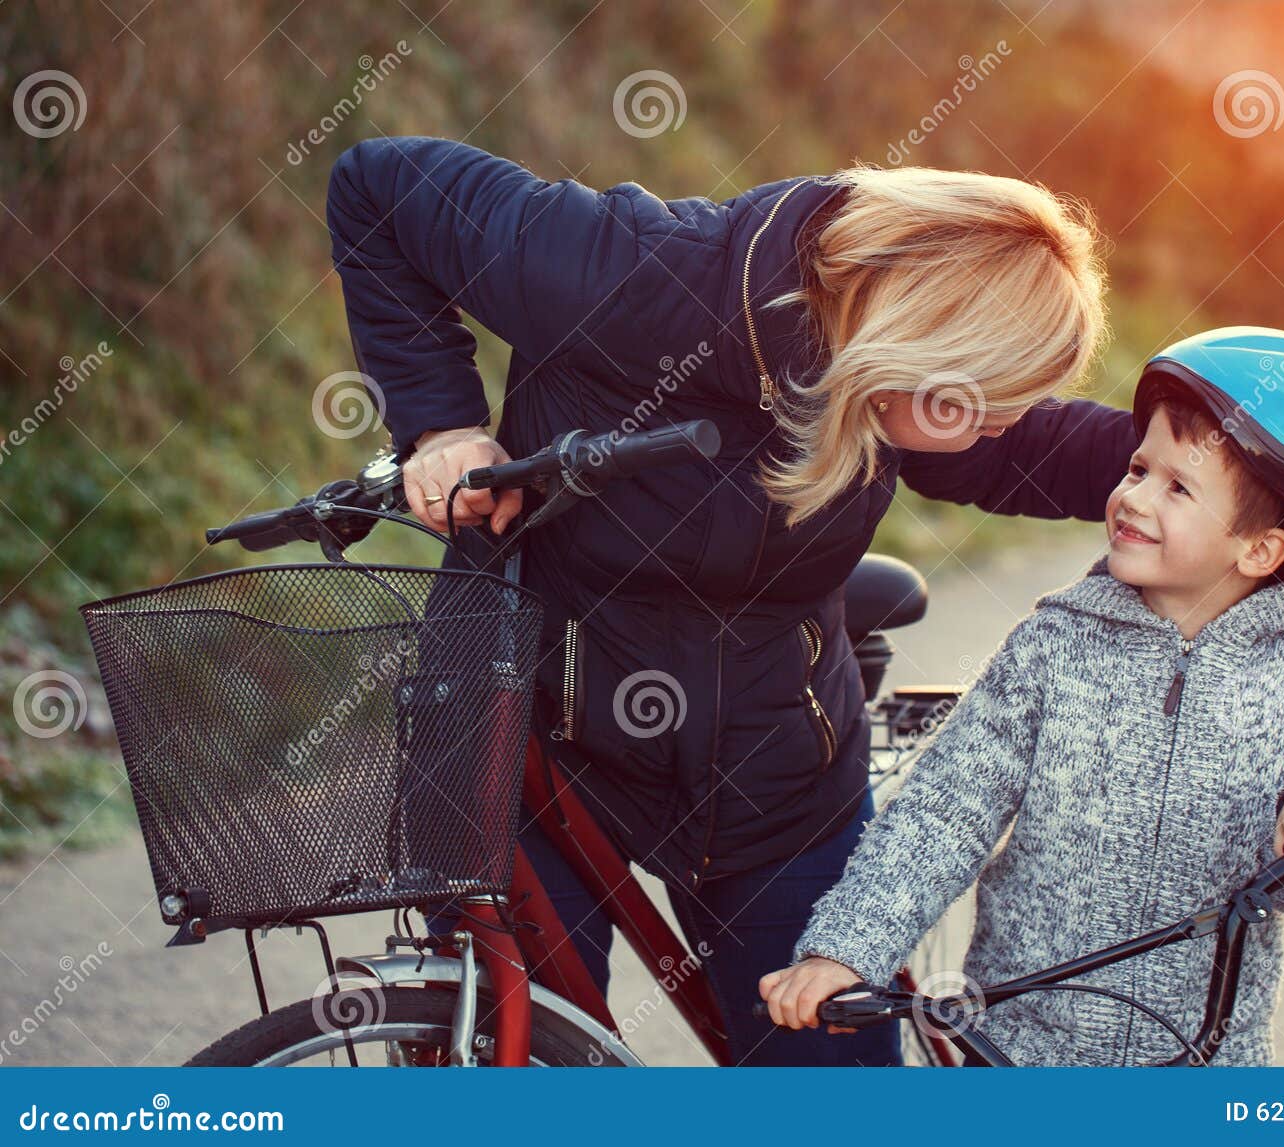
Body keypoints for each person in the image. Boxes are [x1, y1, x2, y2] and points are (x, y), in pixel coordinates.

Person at [324, 136, 1140, 1064]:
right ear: (917, 340)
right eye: (991, 395)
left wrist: (1231, 467)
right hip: (537, 734)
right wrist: (442, 423)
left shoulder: (892, 380)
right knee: (514, 1063)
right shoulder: (633, 269)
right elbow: (381, 188)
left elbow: (1039, 451)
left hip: (771, 767)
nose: (1000, 423)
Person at [760, 326, 1284, 1066]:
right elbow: (944, 810)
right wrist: (848, 948)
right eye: (1137, 467)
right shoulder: (1054, 645)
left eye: (1177, 486)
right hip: (1021, 1051)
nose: (1133, 496)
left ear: (1258, 550)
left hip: (1203, 1060)